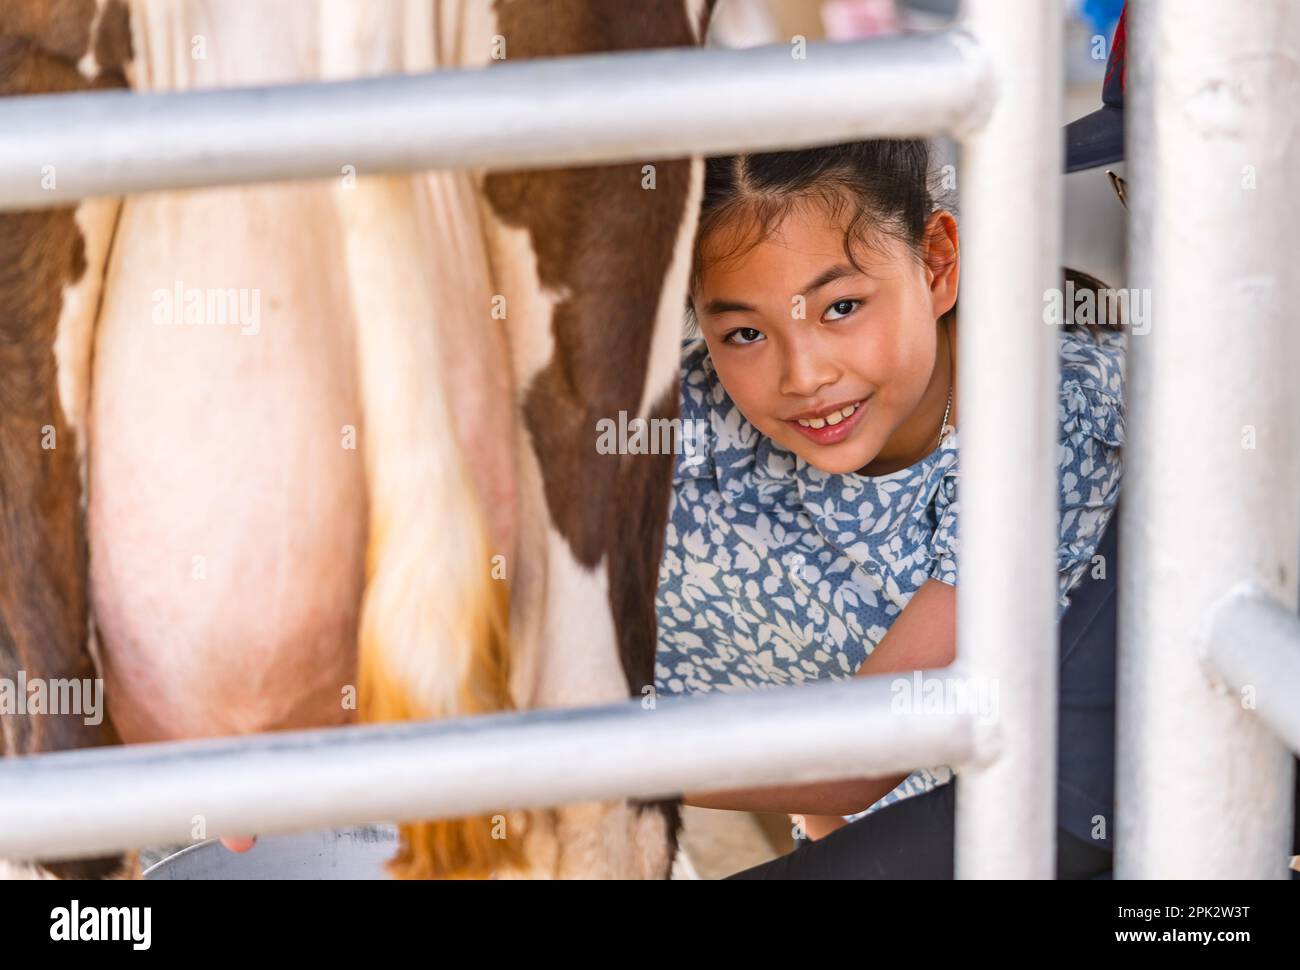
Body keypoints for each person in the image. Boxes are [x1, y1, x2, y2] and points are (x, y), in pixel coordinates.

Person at [653, 137, 1126, 878]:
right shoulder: (701, 423)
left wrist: (561, 761)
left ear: (937, 263)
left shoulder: (1051, 406)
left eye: (842, 306)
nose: (803, 375)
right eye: (745, 332)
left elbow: (866, 751)